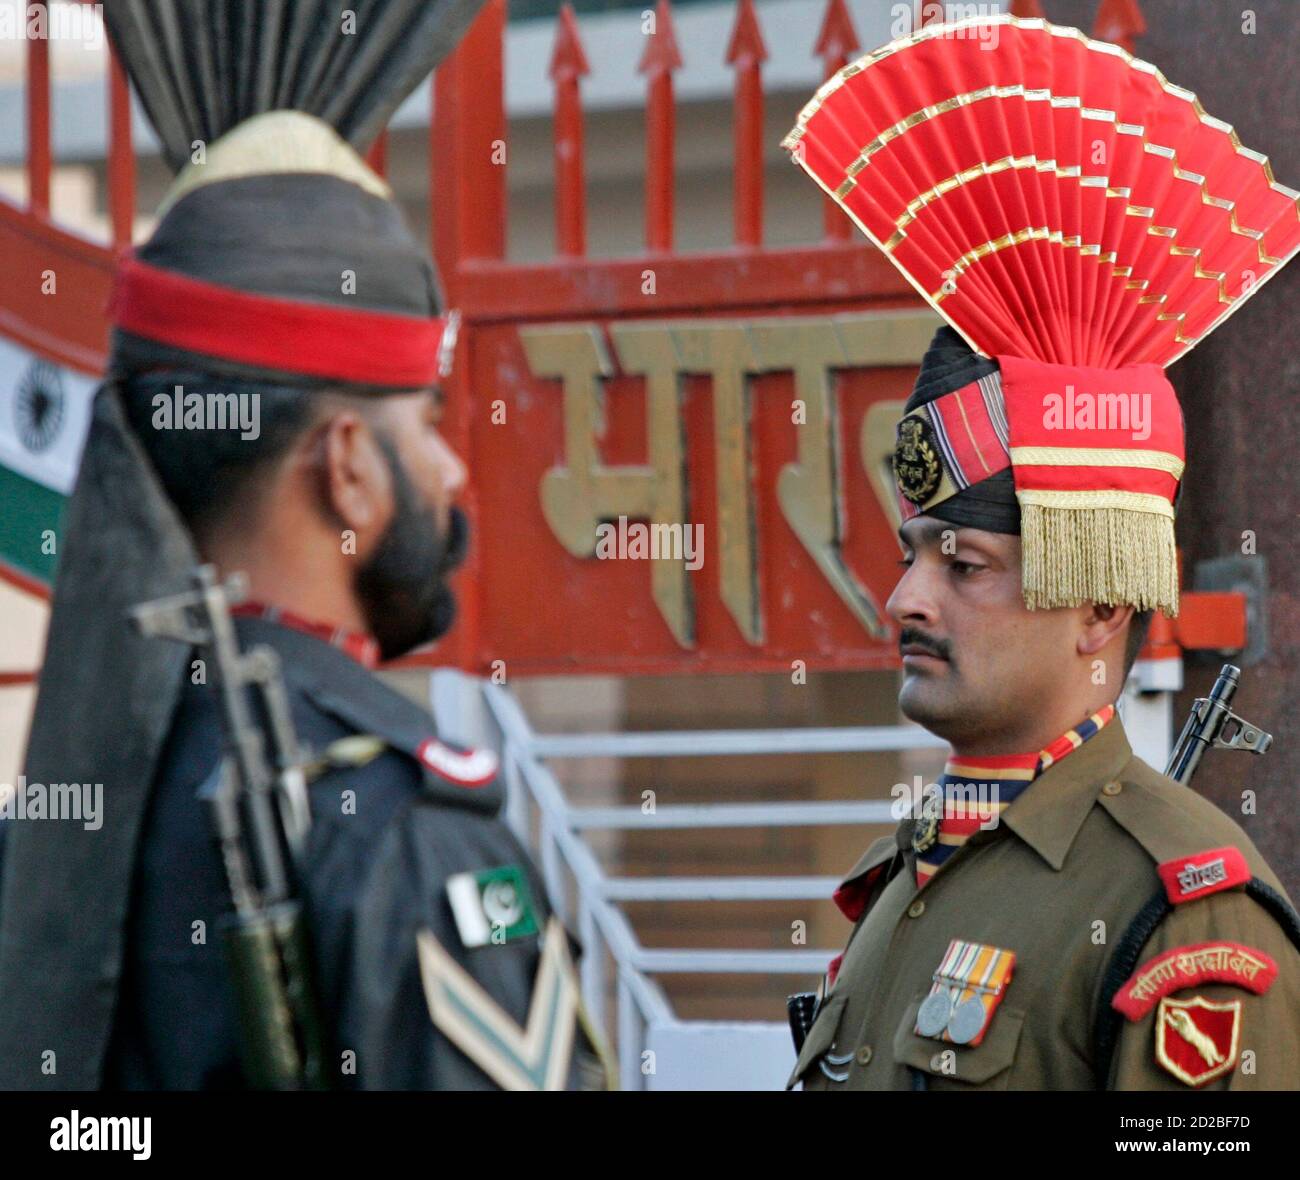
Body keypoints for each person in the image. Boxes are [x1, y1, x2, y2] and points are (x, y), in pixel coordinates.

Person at [0, 15, 604, 1087]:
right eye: (423, 426)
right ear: (346, 469)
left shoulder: (58, 819)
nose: (452, 472)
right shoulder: (400, 835)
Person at [780, 15, 1300, 1090]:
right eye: (909, 553)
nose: (903, 600)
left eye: (961, 564)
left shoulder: (1185, 916)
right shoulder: (914, 870)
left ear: (1099, 605)